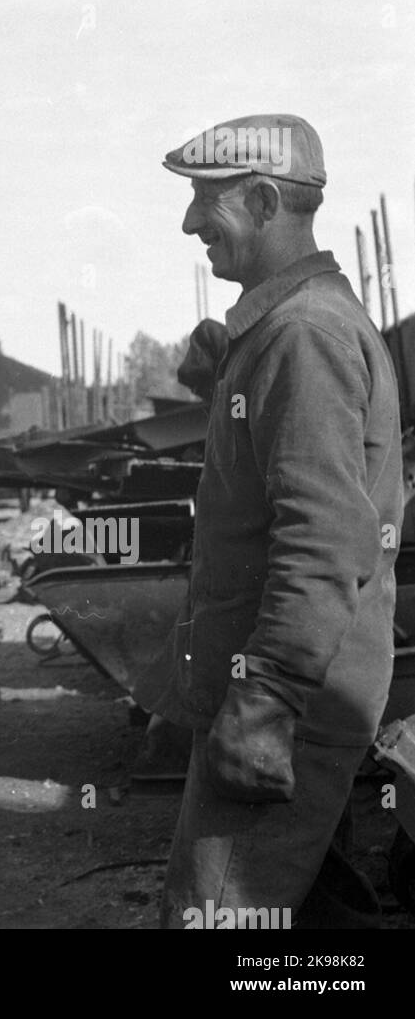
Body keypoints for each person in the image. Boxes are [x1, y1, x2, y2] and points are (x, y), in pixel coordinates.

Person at [154, 112, 402, 928]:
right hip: (293, 689)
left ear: (263, 201)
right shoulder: (292, 323)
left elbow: (321, 540)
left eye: (207, 200)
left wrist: (262, 704)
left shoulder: (302, 333)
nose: (190, 222)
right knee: (307, 917)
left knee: (219, 918)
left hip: (282, 703)